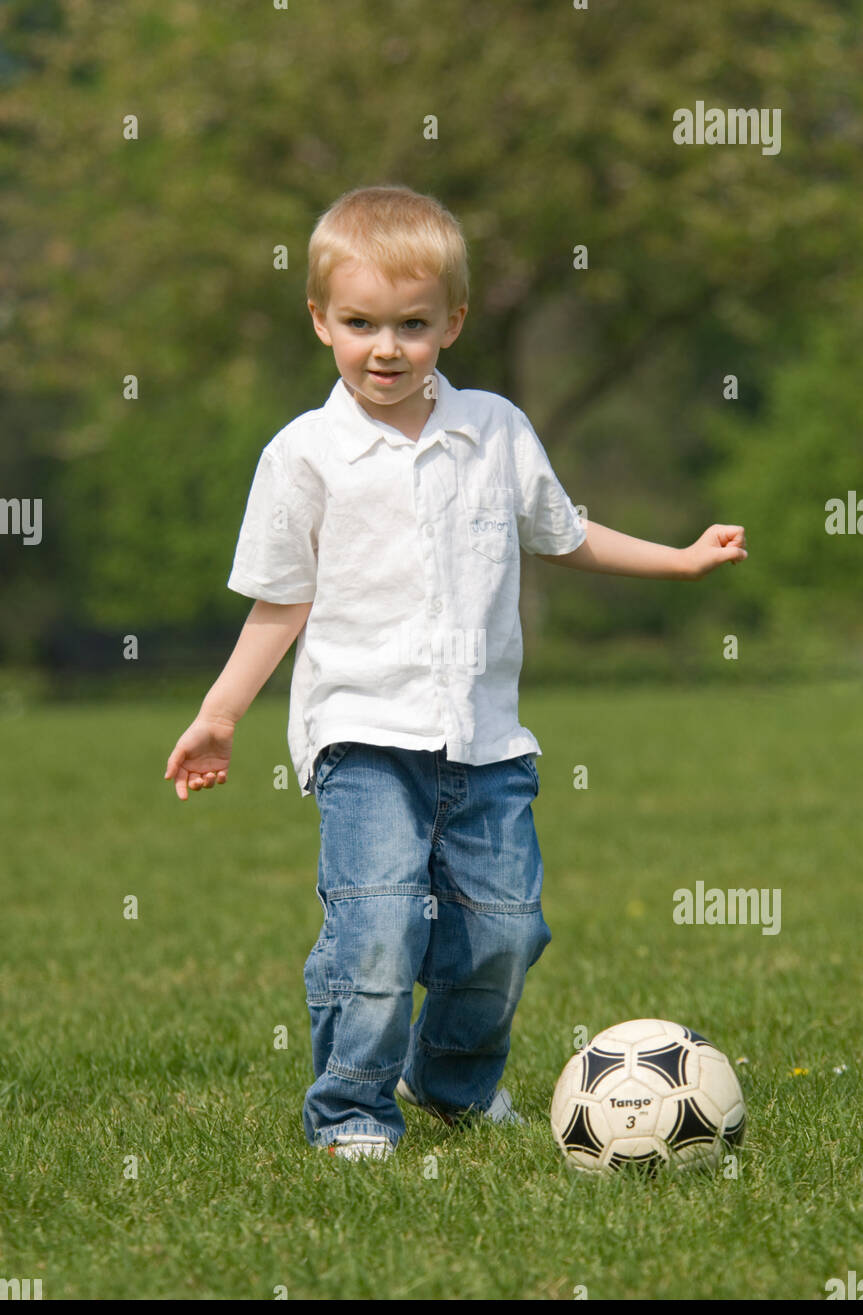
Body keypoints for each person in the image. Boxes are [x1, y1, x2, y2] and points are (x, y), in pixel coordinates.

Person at [164, 185, 747, 1161]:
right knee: (381, 930)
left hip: (484, 746)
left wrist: (678, 556)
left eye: (410, 324)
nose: (383, 346)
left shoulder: (495, 430)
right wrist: (220, 713)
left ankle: (450, 1083)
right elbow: (280, 602)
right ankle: (350, 1110)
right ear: (319, 320)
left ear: (453, 322)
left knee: (502, 937)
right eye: (359, 323)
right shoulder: (304, 457)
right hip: (362, 741)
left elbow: (562, 535)